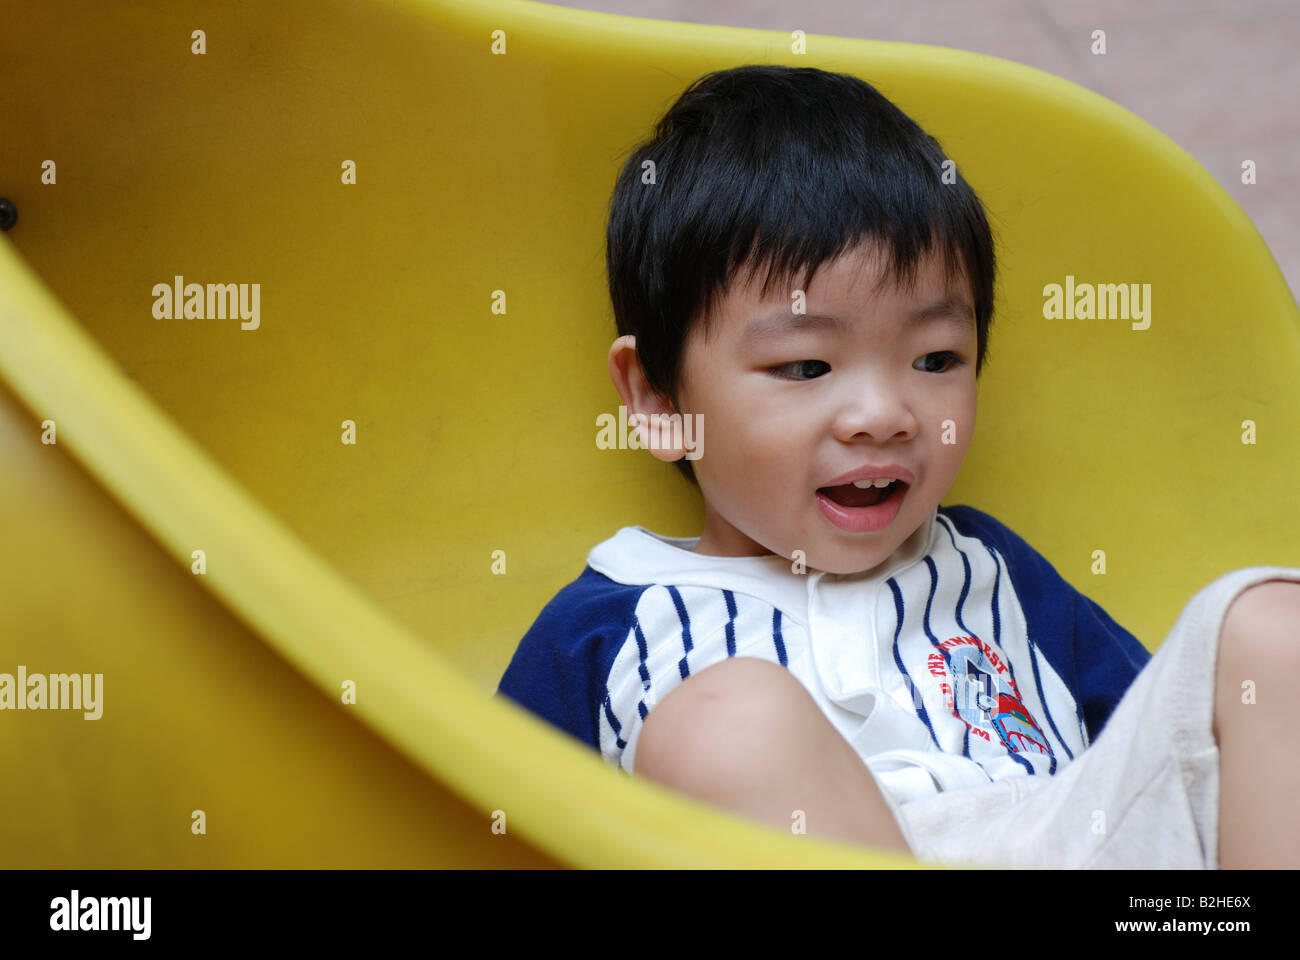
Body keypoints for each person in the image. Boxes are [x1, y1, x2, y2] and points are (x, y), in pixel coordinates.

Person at [495, 64, 1300, 869]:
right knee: (727, 723)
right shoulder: (608, 632)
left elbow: (1165, 761)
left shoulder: (992, 572)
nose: (885, 415)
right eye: (806, 367)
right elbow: (482, 828)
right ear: (660, 400)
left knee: (1268, 625)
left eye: (936, 357)